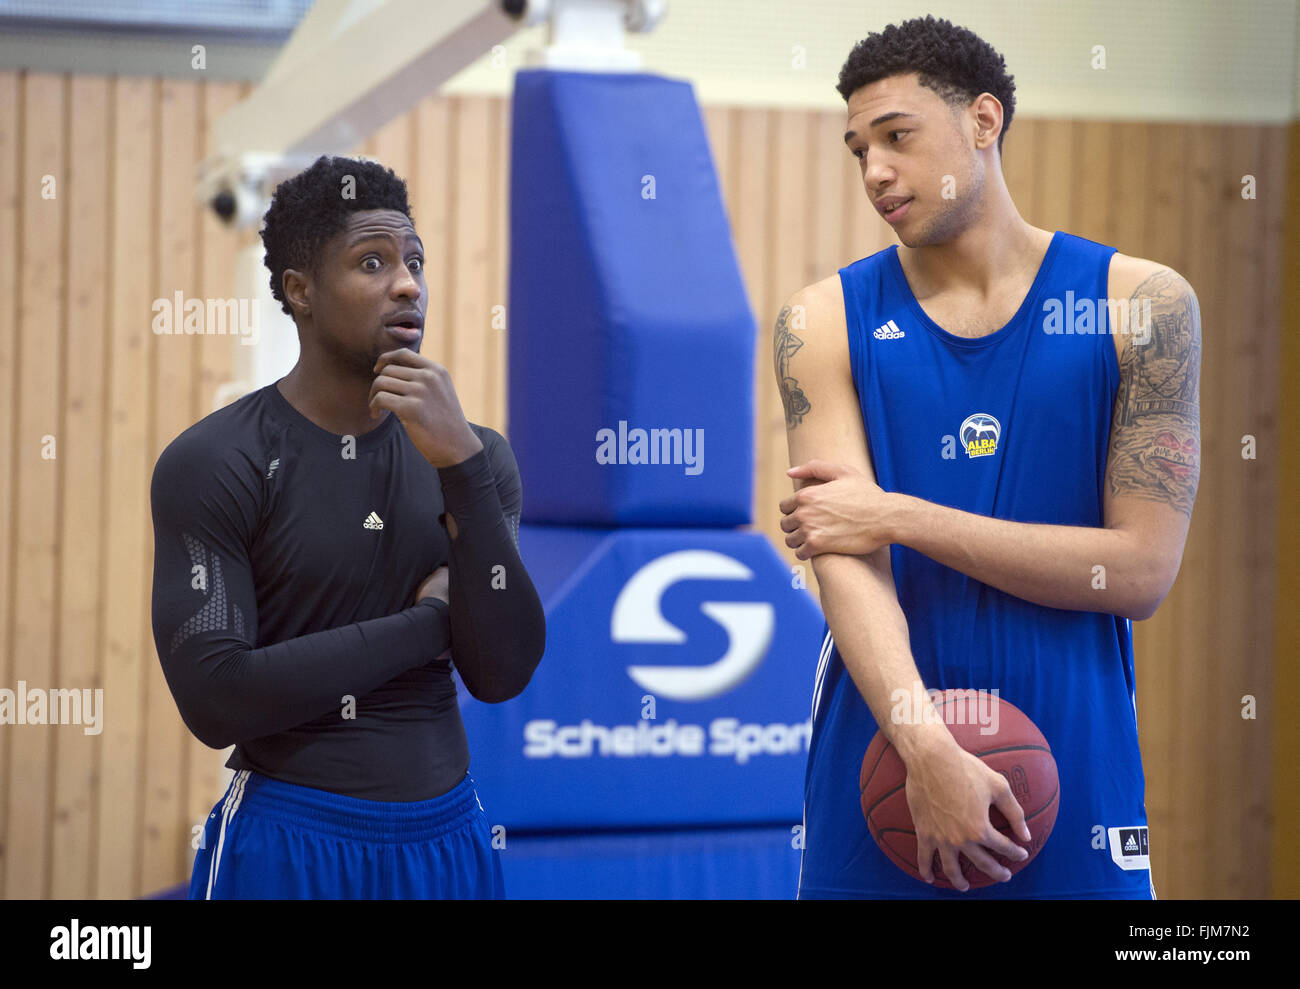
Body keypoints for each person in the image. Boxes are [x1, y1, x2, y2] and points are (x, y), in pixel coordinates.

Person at [776, 16, 1200, 898]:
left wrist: (899, 513)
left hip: (1075, 762)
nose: (876, 172)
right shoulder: (817, 321)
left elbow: (1138, 573)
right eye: (859, 151)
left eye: (896, 136)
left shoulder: (1146, 306)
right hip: (881, 760)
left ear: (983, 121)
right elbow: (844, 559)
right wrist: (924, 746)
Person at [150, 155, 546, 899]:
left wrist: (460, 467)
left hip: (449, 838)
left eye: (414, 262)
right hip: (291, 841)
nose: (408, 283)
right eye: (373, 262)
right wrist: (432, 621)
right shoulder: (216, 459)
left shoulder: (477, 455)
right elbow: (217, 697)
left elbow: (505, 671)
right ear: (299, 291)